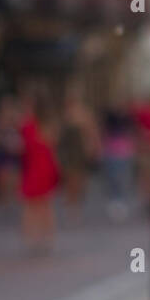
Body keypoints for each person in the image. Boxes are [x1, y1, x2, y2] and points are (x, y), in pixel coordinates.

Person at [19, 96, 60, 253]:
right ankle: (46, 238)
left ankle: (32, 238)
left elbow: (23, 146)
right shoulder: (48, 126)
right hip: (45, 166)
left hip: (34, 167)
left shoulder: (28, 125)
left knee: (31, 205)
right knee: (44, 205)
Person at [57, 92, 99, 222]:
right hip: (68, 150)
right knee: (69, 178)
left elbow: (92, 133)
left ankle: (76, 205)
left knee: (79, 178)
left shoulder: (85, 115)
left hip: (79, 151)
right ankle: (71, 205)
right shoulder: (65, 116)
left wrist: (92, 148)